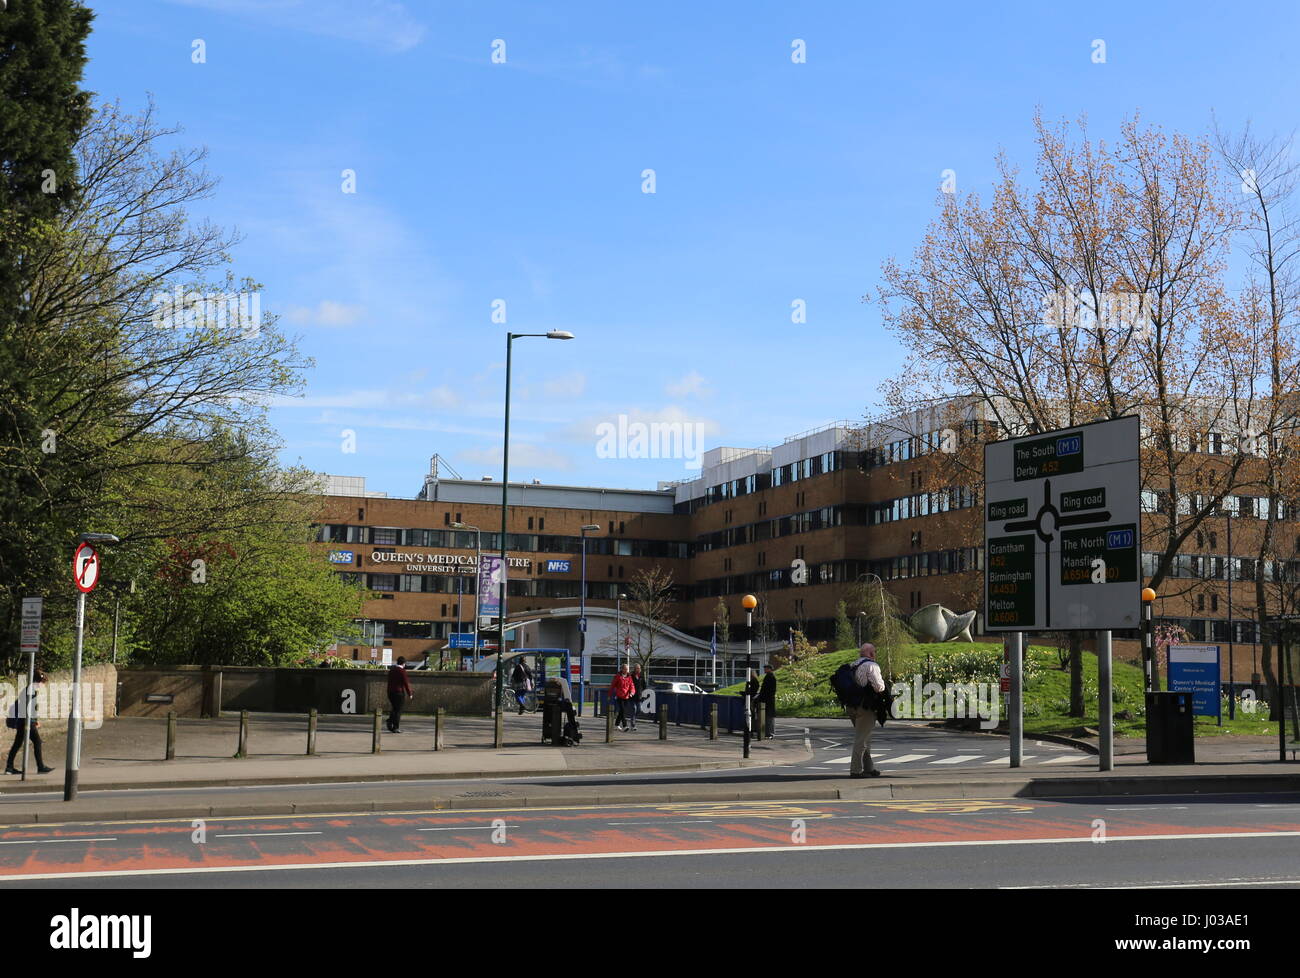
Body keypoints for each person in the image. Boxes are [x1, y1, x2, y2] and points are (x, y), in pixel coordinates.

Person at [847, 643, 886, 779]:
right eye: (874, 652)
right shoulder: (871, 666)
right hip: (866, 707)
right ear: (870, 653)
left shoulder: (853, 665)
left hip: (852, 706)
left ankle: (869, 768)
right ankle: (856, 770)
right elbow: (879, 687)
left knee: (865, 737)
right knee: (861, 739)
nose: (875, 654)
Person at [6, 671, 54, 775]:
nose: (43, 686)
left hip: (23, 721)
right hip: (26, 722)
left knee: (17, 744)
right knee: (37, 742)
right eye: (43, 683)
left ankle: (9, 768)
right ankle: (40, 767)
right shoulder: (31, 690)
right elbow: (28, 707)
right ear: (39, 681)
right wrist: (33, 721)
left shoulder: (29, 689)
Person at [387, 656, 413, 733]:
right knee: (398, 710)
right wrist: (410, 693)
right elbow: (406, 683)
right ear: (404, 663)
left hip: (390, 692)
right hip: (399, 693)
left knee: (394, 708)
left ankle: (390, 721)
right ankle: (395, 727)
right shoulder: (402, 671)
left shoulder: (392, 670)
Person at [609, 665, 635, 731]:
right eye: (625, 669)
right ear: (622, 669)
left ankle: (616, 725)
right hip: (619, 696)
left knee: (622, 712)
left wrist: (632, 692)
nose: (626, 670)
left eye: (627, 669)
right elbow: (612, 685)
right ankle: (625, 726)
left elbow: (632, 686)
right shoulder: (618, 676)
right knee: (622, 710)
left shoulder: (629, 677)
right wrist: (609, 695)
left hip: (626, 696)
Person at [758, 663, 777, 738]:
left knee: (769, 717)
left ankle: (770, 733)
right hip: (768, 700)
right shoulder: (769, 676)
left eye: (766, 668)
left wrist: (761, 697)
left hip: (768, 700)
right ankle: (768, 733)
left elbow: (768, 690)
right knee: (768, 717)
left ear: (769, 669)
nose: (764, 670)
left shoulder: (770, 677)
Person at [629, 663, 647, 730]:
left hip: (639, 697)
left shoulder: (641, 677)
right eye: (637, 668)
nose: (639, 669)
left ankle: (633, 719)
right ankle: (633, 725)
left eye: (639, 668)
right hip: (632, 696)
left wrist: (644, 695)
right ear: (635, 669)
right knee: (634, 709)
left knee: (639, 710)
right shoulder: (631, 676)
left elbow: (644, 686)